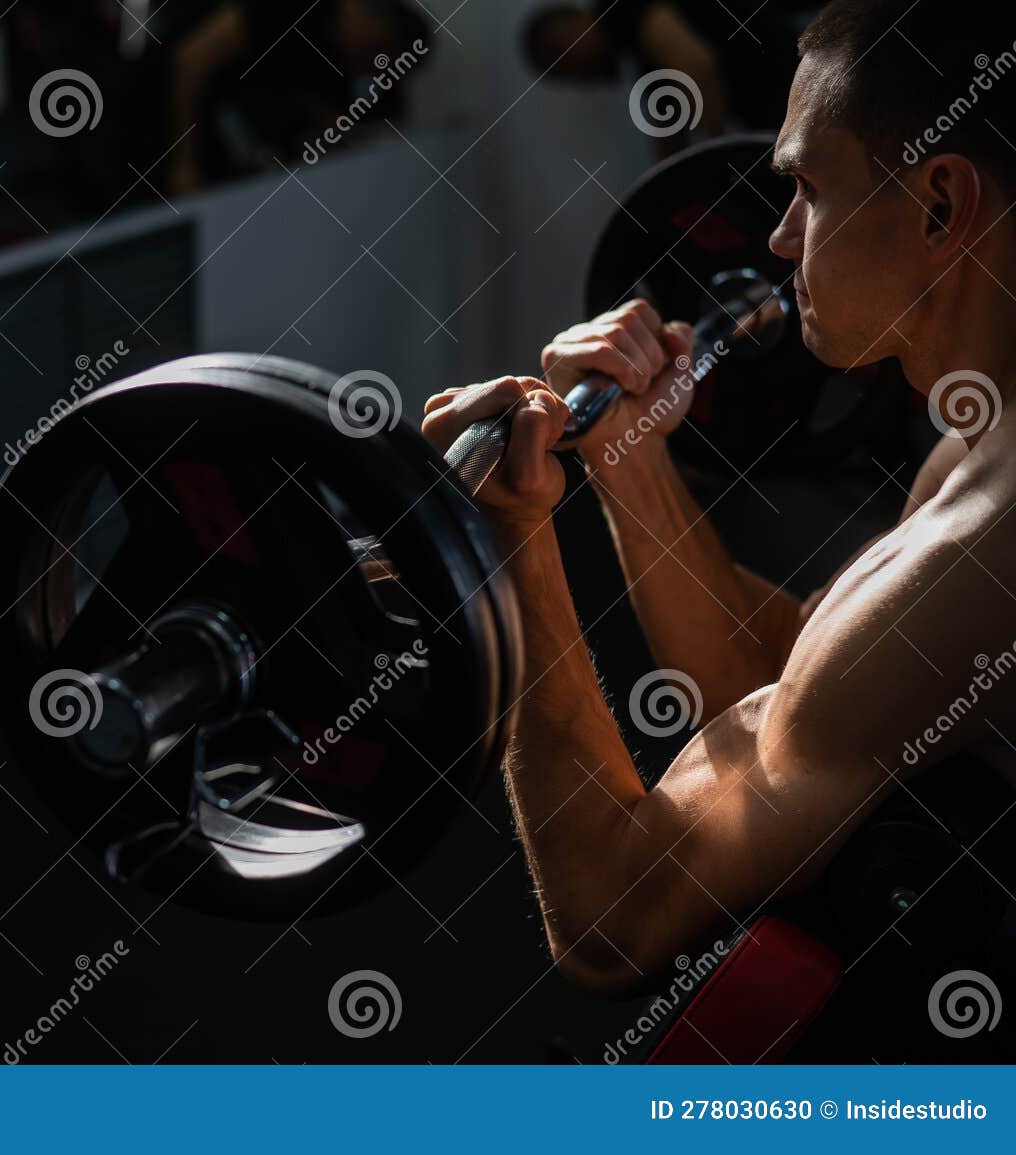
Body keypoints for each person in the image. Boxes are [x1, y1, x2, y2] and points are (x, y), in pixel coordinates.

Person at [422, 0, 1016, 992]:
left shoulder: (987, 540)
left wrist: (503, 542)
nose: (780, 239)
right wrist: (628, 460)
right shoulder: (975, 447)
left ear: (939, 207)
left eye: (806, 189)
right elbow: (800, 686)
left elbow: (616, 913)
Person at [164, 0, 430, 195]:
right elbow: (192, 59)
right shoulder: (295, 9)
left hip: (225, 151)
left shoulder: (342, 62)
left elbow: (330, 129)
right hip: (166, 109)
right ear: (372, 27)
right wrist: (185, 165)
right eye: (374, 58)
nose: (367, 71)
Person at [523, 2, 824, 152]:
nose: (581, 78)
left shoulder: (622, 12)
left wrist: (719, 149)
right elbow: (669, 118)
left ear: (563, 37)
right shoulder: (634, 49)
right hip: (790, 82)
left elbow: (696, 63)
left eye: (568, 66)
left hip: (796, 61)